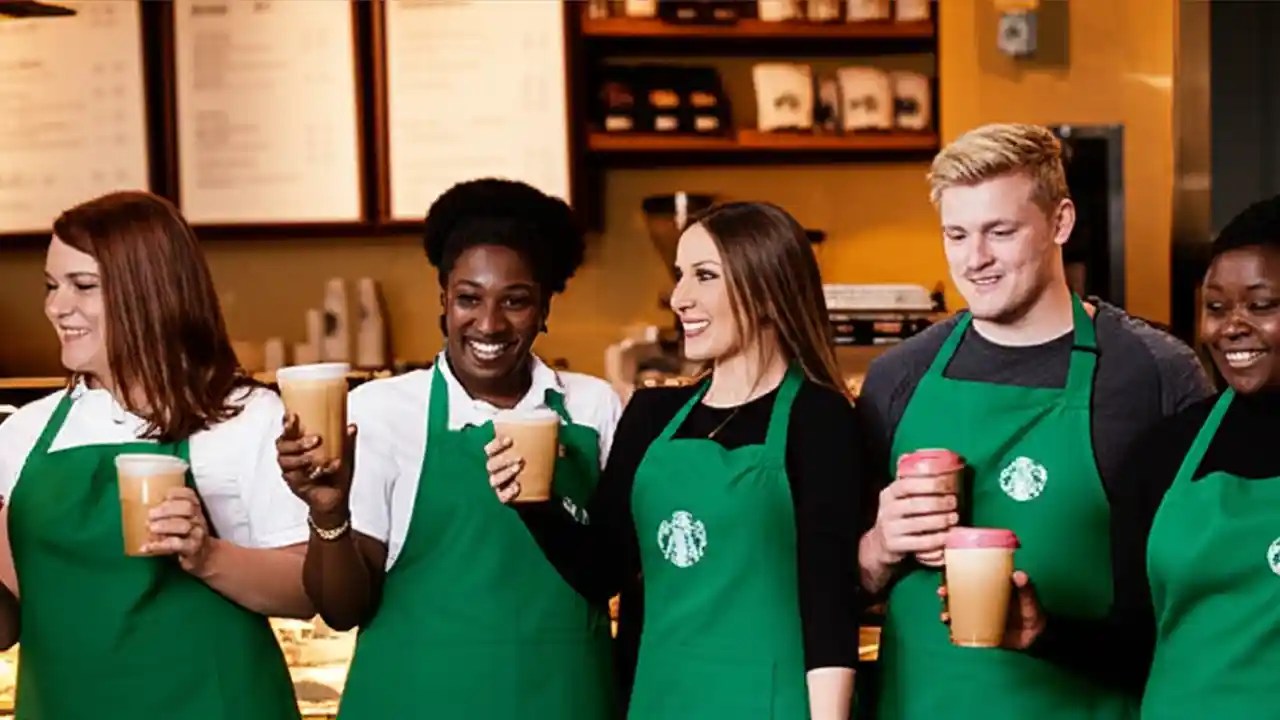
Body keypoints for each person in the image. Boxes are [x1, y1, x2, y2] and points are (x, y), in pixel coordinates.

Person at [854, 123, 1213, 719]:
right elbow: (830, 587)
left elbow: (1201, 589)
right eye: (956, 235)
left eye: (1001, 232)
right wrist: (879, 548)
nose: (976, 260)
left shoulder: (1154, 375)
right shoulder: (898, 377)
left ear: (1060, 222)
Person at [489, 201, 863, 719]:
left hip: (771, 704)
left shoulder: (819, 418)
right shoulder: (651, 414)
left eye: (704, 276)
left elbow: (829, 603)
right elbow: (601, 571)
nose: (680, 297)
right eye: (681, 275)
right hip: (660, 699)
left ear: (766, 289)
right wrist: (534, 502)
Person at [275, 178, 622, 719]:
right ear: (444, 302)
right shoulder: (382, 410)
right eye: (468, 299)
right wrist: (328, 511)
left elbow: (618, 571)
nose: (489, 323)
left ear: (544, 308)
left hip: (565, 701)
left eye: (515, 301)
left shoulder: (593, 407)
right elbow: (342, 610)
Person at [0, 191, 309, 719]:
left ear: (147, 290)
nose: (56, 307)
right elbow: (6, 622)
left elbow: (308, 592)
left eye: (83, 286)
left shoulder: (245, 418)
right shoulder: (24, 433)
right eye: (52, 286)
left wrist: (207, 556)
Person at [996, 193, 1280, 718]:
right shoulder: (1166, 452)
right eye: (1216, 307)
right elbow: (1136, 644)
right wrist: (1043, 632)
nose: (1231, 327)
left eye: (1261, 306)